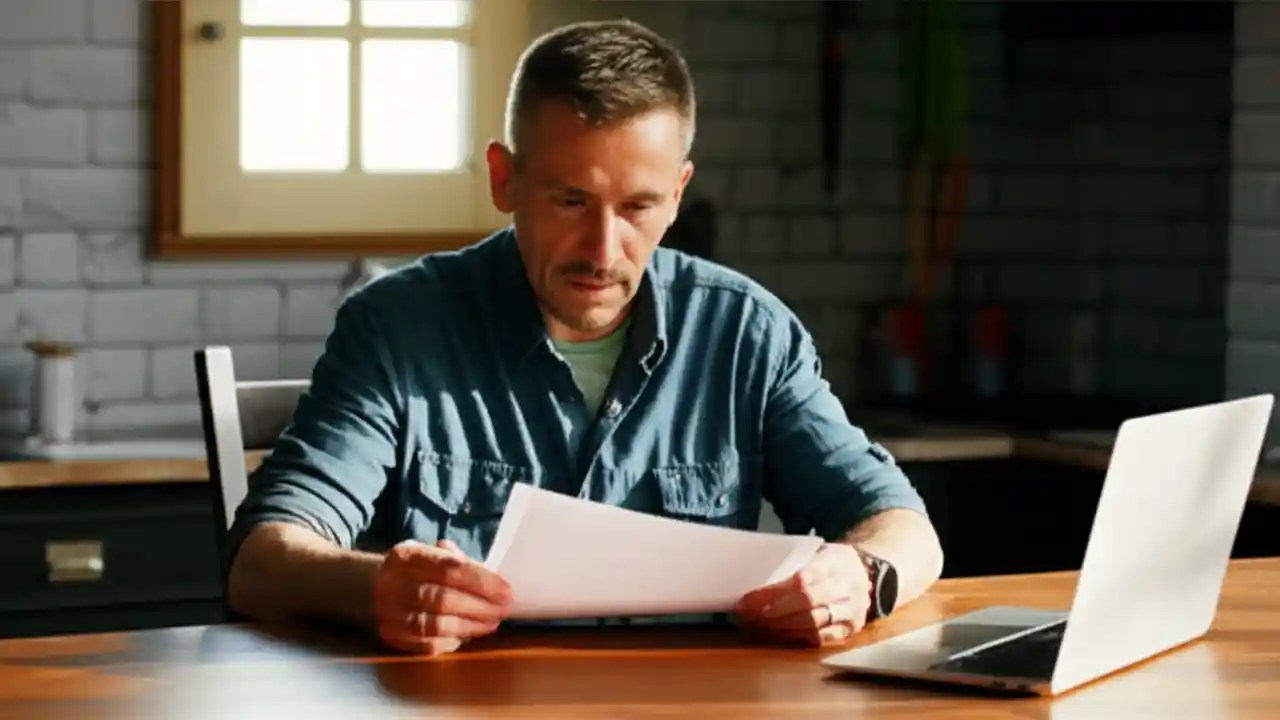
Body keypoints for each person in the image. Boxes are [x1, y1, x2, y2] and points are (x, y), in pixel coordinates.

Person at [226, 18, 943, 657]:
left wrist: (862, 576)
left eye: (638, 207)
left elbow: (906, 531)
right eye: (570, 201)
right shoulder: (396, 326)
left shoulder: (746, 333)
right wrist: (373, 587)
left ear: (678, 194)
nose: (603, 250)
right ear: (504, 179)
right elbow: (261, 562)